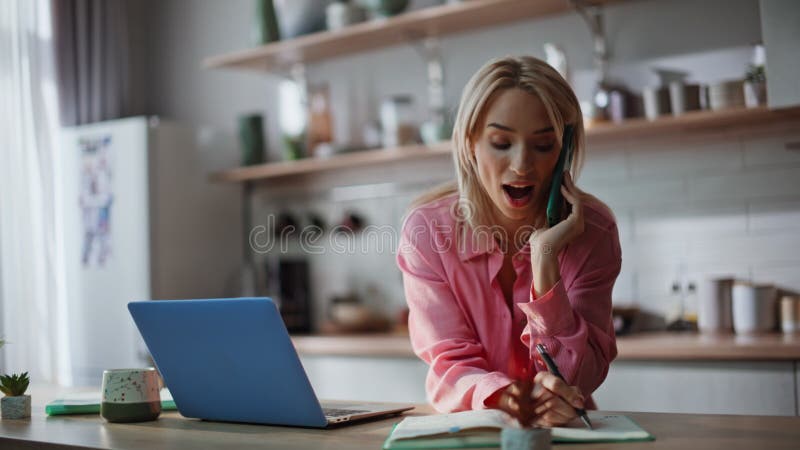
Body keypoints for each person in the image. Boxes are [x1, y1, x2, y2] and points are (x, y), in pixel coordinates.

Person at [396, 56, 621, 427]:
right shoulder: (427, 233)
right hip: (474, 429)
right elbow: (449, 366)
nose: (522, 165)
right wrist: (506, 396)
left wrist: (545, 260)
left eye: (544, 145)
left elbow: (577, 378)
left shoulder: (595, 233)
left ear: (565, 150)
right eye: (501, 143)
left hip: (562, 436)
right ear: (471, 144)